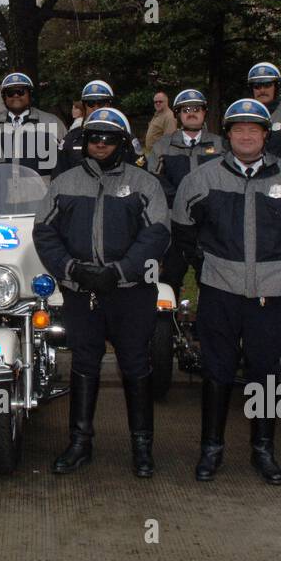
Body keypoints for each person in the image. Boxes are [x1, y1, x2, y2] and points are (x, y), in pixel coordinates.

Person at [172, 98, 281, 486]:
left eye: (253, 130)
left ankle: (263, 449)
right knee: (217, 372)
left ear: (265, 136)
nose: (245, 136)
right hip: (220, 292)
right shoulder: (203, 178)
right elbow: (184, 227)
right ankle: (211, 448)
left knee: (265, 373)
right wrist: (206, 263)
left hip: (271, 297)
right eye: (238, 130)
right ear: (227, 136)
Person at [33, 108, 170, 478]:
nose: (101, 144)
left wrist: (120, 271)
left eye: (109, 139)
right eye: (95, 137)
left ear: (123, 143)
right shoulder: (63, 183)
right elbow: (44, 233)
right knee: (83, 364)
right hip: (81, 291)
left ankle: (142, 446)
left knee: (136, 365)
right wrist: (72, 270)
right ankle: (80, 443)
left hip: (130, 292)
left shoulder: (145, 184)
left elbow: (157, 233)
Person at [146, 89, 223, 296]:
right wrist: (182, 200)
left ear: (204, 112)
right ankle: (169, 326)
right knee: (169, 278)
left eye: (197, 109)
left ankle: (207, 325)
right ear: (178, 114)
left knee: (212, 282)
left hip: (210, 226)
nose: (192, 113)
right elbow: (155, 180)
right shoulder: (164, 145)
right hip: (174, 225)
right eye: (186, 109)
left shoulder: (219, 145)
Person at [0, 72, 66, 176]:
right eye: (10, 92)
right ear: (4, 97)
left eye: (21, 91)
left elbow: (65, 160)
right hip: (1, 190)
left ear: (30, 94)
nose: (16, 95)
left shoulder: (51, 122)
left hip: (41, 190)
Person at [55, 79, 114, 174]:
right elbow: (58, 179)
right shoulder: (71, 139)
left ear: (110, 105)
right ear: (84, 106)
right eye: (91, 103)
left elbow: (139, 177)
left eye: (101, 103)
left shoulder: (124, 138)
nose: (96, 107)